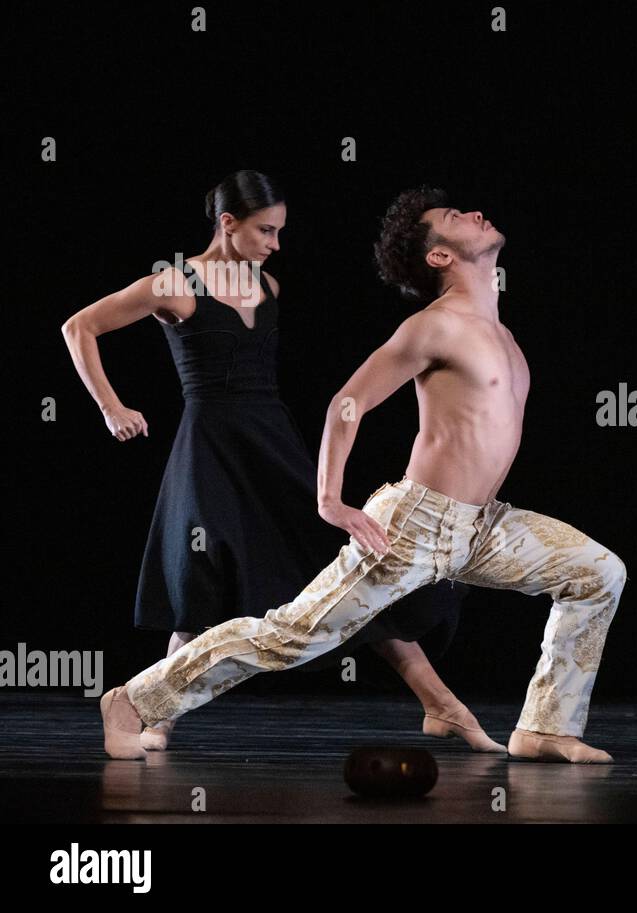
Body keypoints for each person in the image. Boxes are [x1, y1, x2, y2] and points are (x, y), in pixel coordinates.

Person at [100, 185, 627, 764]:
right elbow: (346, 403)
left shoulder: (501, 335)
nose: (477, 213)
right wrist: (331, 500)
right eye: (456, 217)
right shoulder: (432, 328)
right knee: (292, 637)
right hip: (415, 527)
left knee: (598, 572)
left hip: (483, 528)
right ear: (439, 256)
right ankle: (133, 702)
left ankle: (546, 728)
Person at [65, 171, 499, 754]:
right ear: (228, 223)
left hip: (271, 439)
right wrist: (111, 407)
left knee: (347, 568)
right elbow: (79, 326)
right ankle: (154, 718)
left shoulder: (269, 287)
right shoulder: (173, 283)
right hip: (210, 446)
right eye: (265, 230)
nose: (275, 244)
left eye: (279, 232)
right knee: (204, 577)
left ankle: (441, 705)